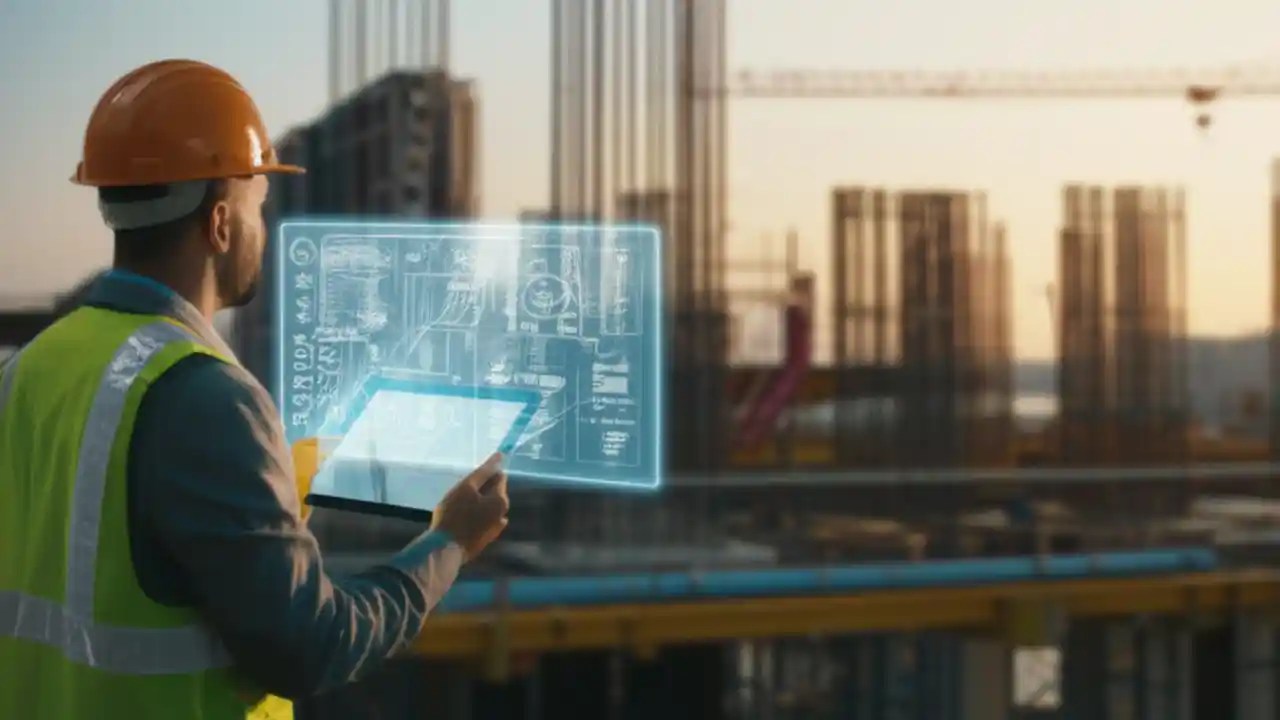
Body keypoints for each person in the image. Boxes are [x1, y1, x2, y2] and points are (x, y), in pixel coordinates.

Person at [0, 59, 511, 719]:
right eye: (257, 208)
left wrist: (284, 474)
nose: (261, 234)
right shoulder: (204, 397)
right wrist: (450, 543)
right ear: (219, 224)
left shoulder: (27, 369)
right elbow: (311, 646)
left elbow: (112, 529)